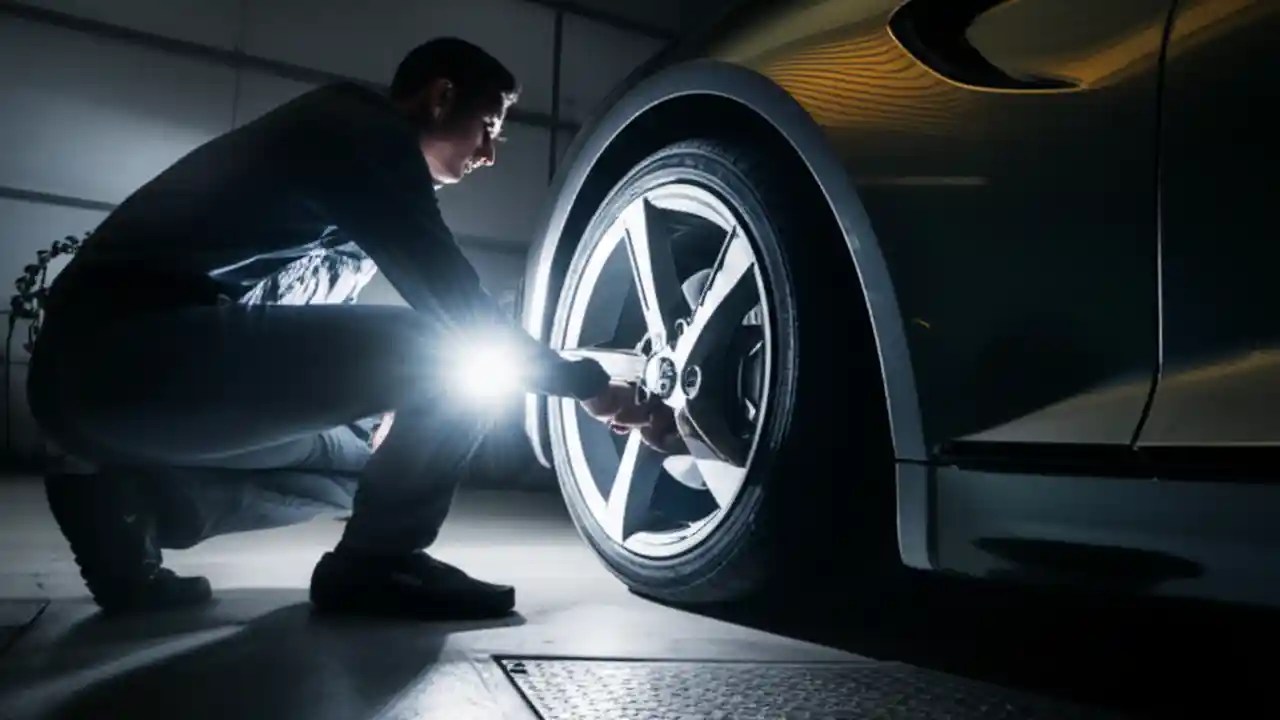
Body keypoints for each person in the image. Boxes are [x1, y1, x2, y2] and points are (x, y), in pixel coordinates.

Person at [25, 37, 670, 618]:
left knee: (367, 460)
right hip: (116, 356)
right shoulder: (359, 132)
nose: (489, 154)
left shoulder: (346, 182)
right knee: (444, 352)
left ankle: (133, 506)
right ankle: (376, 565)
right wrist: (589, 384)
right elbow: (455, 308)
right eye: (488, 126)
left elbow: (293, 345)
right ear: (442, 97)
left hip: (117, 392)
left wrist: (391, 406)